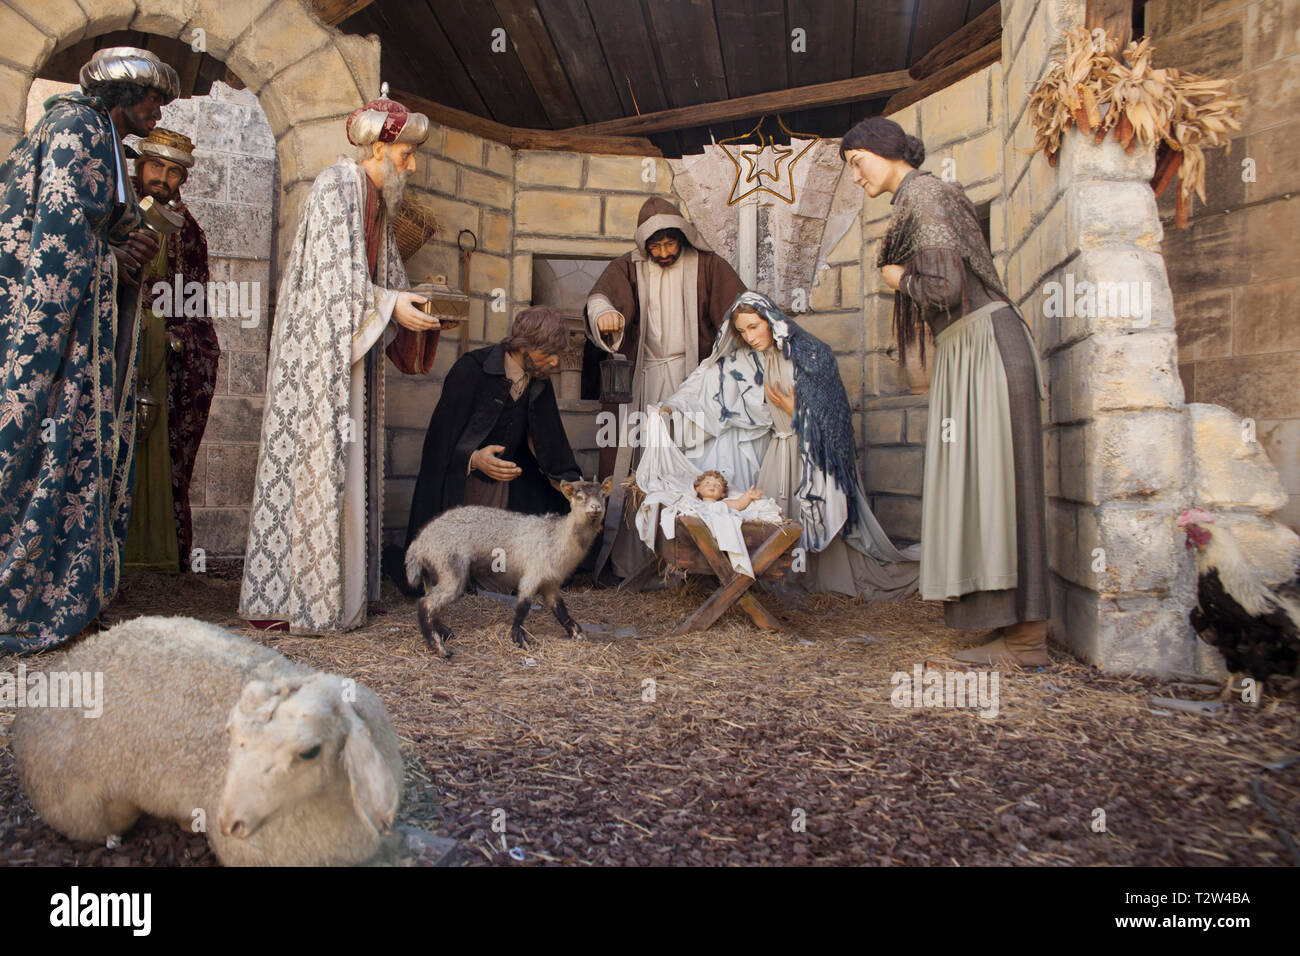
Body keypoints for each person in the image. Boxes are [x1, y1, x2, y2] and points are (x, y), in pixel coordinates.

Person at [841, 116, 1049, 666]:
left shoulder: (924, 194)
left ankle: (1028, 640)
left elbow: (943, 286)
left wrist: (895, 279)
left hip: (985, 345)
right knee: (988, 487)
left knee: (1004, 484)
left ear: (882, 151)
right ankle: (1009, 627)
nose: (856, 177)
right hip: (970, 346)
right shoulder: (919, 197)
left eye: (856, 162)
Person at [239, 86, 437, 634]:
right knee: (321, 463)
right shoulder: (335, 186)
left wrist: (415, 304)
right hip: (319, 356)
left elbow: (386, 279)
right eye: (405, 154)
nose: (412, 164)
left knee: (351, 466)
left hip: (350, 351)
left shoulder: (379, 205)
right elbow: (332, 284)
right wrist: (391, 303)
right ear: (378, 149)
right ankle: (303, 596)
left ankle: (346, 591)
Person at [0, 47, 179, 652]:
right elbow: (56, 246)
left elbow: (95, 228)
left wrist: (126, 250)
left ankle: (63, 588)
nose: (158, 110)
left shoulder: (100, 132)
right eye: (153, 98)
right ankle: (29, 597)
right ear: (122, 94)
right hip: (60, 338)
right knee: (43, 441)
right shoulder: (76, 126)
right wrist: (113, 259)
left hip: (89, 331)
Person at [660, 291, 920, 599]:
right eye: (743, 331)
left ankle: (821, 577)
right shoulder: (766, 356)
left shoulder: (810, 354)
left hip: (809, 449)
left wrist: (792, 407)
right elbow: (719, 385)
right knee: (778, 520)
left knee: (807, 515)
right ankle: (786, 578)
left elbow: (832, 412)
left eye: (754, 327)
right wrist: (674, 408)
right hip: (780, 449)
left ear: (771, 320)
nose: (750, 336)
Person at [581, 196, 746, 579]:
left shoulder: (707, 265)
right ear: (644, 245)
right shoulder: (627, 266)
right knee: (635, 460)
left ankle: (693, 563)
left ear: (683, 238)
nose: (664, 251)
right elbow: (600, 298)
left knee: (694, 459)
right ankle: (632, 561)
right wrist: (605, 313)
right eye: (655, 246)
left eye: (670, 243)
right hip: (643, 378)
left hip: (693, 379)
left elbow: (739, 307)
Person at [402, 306, 583, 552]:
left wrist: (575, 487)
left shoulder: (539, 380)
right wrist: (473, 458)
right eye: (548, 353)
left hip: (511, 491)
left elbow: (552, 442)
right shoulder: (470, 370)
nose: (555, 361)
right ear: (524, 346)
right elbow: (438, 445)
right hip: (464, 489)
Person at [123, 127, 219, 574]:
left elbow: (194, 305)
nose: (162, 177)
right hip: (116, 346)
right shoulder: (115, 212)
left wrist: (178, 337)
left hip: (159, 358)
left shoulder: (189, 234)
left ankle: (154, 555)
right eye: (156, 167)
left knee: (156, 446)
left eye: (173, 172)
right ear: (140, 167)